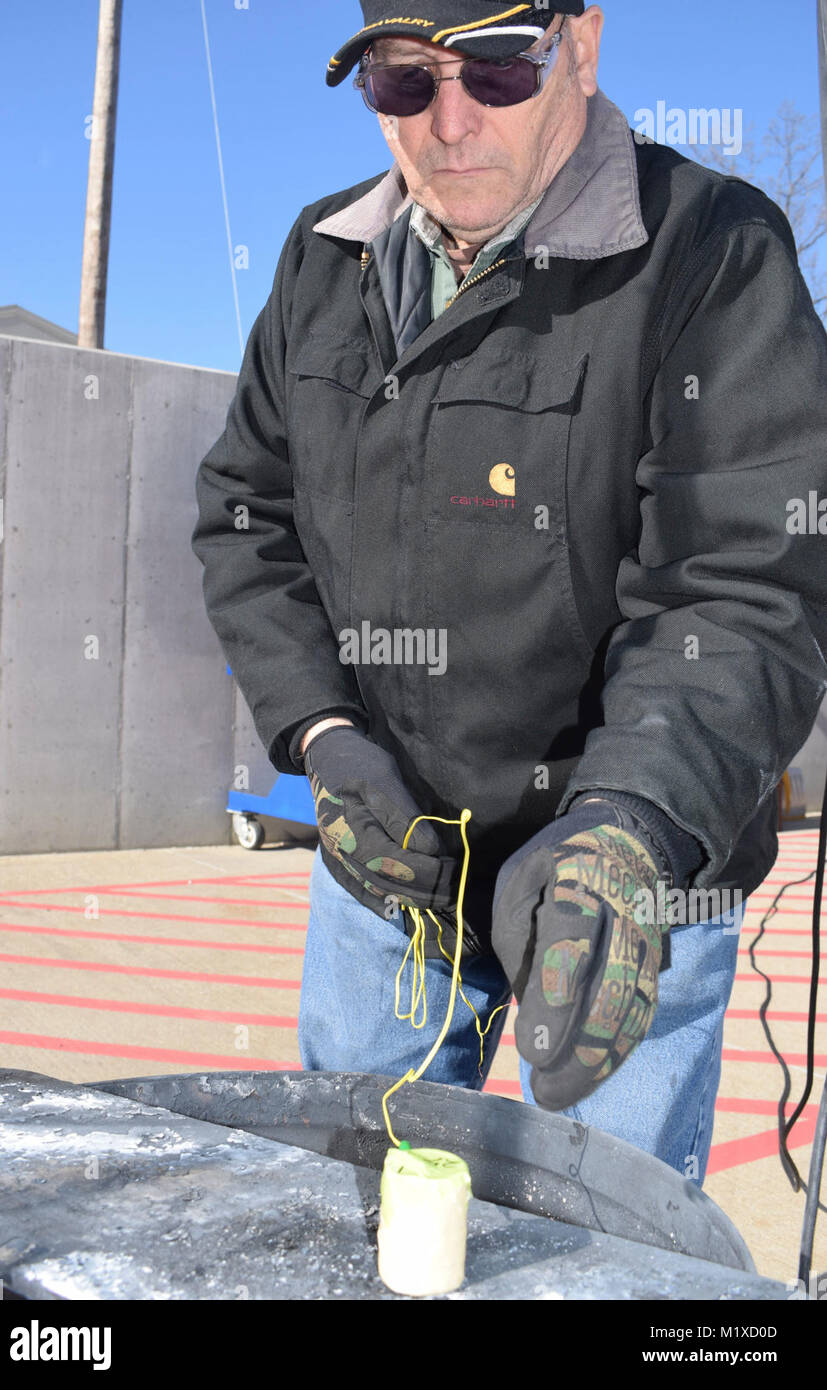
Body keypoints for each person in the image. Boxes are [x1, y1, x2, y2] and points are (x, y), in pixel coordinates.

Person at [191, 2, 827, 1185]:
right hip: (390, 879)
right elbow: (246, 518)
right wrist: (323, 737)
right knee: (353, 1212)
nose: (449, 120)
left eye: (494, 67)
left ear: (579, 46)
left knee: (598, 1242)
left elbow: (745, 580)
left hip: (625, 893)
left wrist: (631, 828)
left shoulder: (711, 251)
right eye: (402, 81)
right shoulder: (320, 258)